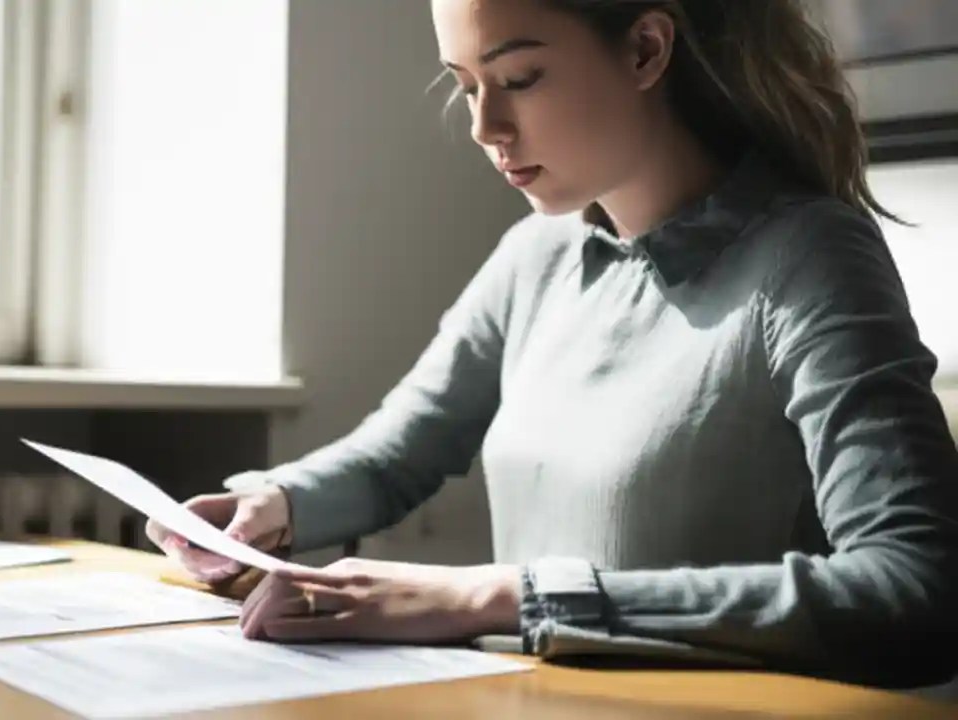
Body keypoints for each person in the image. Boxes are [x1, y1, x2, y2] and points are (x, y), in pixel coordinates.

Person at [147, 0, 958, 687]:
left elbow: (918, 587)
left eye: (519, 79)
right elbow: (401, 453)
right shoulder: (538, 257)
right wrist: (274, 505)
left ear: (646, 49)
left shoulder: (810, 255)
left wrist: (497, 598)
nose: (483, 126)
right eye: (464, 86)